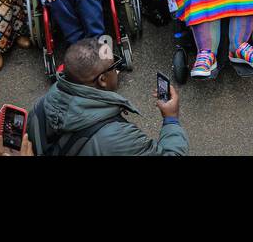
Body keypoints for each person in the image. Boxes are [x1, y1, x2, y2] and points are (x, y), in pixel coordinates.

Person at [28, 36, 186, 155]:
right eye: (115, 65)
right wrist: (171, 119)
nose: (118, 71)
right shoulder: (119, 138)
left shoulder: (40, 106)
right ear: (102, 80)